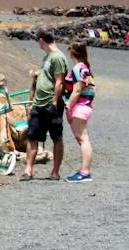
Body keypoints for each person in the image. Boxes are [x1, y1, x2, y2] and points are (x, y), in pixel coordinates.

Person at [22, 30, 68, 180]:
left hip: (51, 103)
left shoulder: (58, 57)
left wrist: (55, 101)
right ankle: (28, 170)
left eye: (38, 41)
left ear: (41, 40)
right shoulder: (47, 57)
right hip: (39, 103)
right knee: (32, 136)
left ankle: (55, 171)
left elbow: (59, 81)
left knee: (56, 137)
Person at [63, 40, 96, 182]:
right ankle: (84, 170)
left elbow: (77, 90)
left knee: (83, 139)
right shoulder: (86, 68)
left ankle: (85, 172)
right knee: (83, 139)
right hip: (86, 106)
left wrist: (68, 106)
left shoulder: (78, 68)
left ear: (72, 52)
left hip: (79, 106)